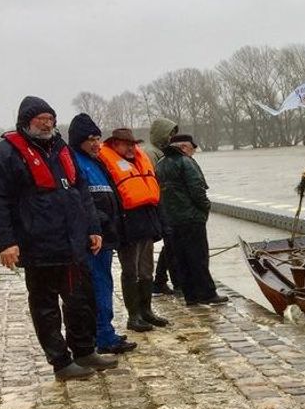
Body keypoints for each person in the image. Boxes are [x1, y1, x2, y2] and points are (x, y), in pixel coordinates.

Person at [0, 97, 118, 380]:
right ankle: (60, 361)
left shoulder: (62, 150)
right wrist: (6, 242)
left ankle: (84, 350)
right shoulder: (4, 155)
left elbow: (81, 192)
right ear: (25, 122)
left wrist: (93, 228)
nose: (47, 124)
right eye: (40, 119)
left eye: (50, 118)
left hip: (73, 243)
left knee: (81, 299)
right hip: (37, 245)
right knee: (45, 306)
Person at [68, 114, 138, 355]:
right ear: (79, 141)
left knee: (104, 284)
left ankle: (105, 331)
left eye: (98, 138)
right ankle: (102, 336)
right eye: (91, 139)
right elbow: (80, 202)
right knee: (97, 286)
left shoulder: (95, 162)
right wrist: (97, 225)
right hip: (93, 240)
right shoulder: (75, 163)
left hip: (106, 236)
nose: (97, 144)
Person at [98, 127, 170, 332]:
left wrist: (161, 222)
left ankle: (146, 311)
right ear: (115, 144)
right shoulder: (106, 164)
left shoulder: (140, 161)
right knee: (131, 271)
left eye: (133, 144)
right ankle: (134, 316)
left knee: (146, 269)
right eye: (126, 144)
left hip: (146, 222)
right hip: (126, 225)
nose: (131, 148)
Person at [156, 134, 229, 306]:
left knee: (181, 259)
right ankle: (207, 293)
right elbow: (197, 189)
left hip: (171, 220)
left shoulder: (160, 164)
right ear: (183, 147)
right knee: (199, 257)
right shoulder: (185, 162)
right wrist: (205, 208)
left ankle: (190, 295)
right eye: (192, 147)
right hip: (191, 218)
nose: (194, 151)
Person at [147, 117, 180, 296]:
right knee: (172, 244)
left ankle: (160, 280)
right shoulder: (152, 154)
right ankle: (173, 282)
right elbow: (155, 180)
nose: (171, 138)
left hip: (164, 204)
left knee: (171, 244)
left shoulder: (158, 152)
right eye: (170, 134)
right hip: (162, 205)